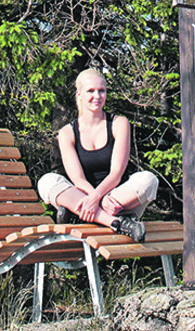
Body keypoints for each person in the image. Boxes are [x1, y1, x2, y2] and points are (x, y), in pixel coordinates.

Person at [36, 67, 155, 244]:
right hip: (85, 197)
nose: (97, 96)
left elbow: (116, 174)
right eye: (91, 91)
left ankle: (82, 215)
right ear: (79, 94)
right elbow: (78, 180)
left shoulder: (119, 123)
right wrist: (92, 200)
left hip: (115, 201)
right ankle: (117, 223)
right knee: (46, 182)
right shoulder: (67, 132)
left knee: (149, 180)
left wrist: (96, 200)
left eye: (102, 91)